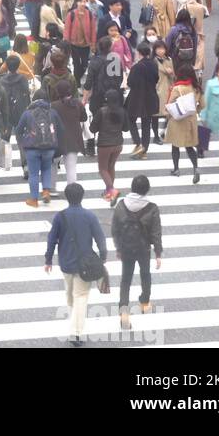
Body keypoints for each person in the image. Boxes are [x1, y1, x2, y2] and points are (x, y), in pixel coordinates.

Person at [44, 183, 108, 347]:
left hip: (66, 262)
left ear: (66, 196)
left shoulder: (60, 217)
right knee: (80, 296)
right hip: (84, 264)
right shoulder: (90, 216)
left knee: (71, 295)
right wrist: (103, 255)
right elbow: (100, 237)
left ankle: (75, 324)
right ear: (82, 196)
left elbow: (52, 239)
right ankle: (75, 332)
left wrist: (48, 259)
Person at [111, 175, 163, 330]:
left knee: (125, 280)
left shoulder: (121, 205)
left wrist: (118, 248)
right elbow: (156, 232)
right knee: (145, 274)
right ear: (146, 189)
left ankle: (124, 312)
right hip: (143, 248)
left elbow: (115, 230)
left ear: (132, 188)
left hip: (126, 247)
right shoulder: (152, 208)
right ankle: (145, 301)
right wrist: (158, 253)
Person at [16, 89, 65, 207]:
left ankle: (34, 199)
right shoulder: (52, 112)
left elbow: (18, 130)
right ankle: (46, 191)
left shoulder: (27, 113)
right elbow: (62, 129)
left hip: (32, 148)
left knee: (33, 173)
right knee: (47, 169)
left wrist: (23, 142)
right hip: (49, 148)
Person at [165, 65, 203, 182]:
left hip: (178, 121)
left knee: (175, 146)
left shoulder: (177, 88)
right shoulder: (197, 88)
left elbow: (170, 104)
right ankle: (195, 168)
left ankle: (176, 169)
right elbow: (203, 105)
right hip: (191, 121)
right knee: (189, 147)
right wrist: (196, 111)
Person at [90, 89, 129, 205]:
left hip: (104, 144)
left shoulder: (102, 111)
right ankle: (109, 192)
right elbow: (126, 128)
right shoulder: (122, 111)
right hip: (118, 144)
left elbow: (93, 129)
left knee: (102, 169)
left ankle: (112, 190)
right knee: (111, 167)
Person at [126, 43, 160, 159]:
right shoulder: (153, 65)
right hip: (150, 97)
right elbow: (156, 79)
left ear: (139, 53)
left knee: (131, 119)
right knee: (146, 124)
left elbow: (130, 82)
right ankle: (144, 151)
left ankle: (138, 143)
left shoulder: (136, 67)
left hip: (137, 97)